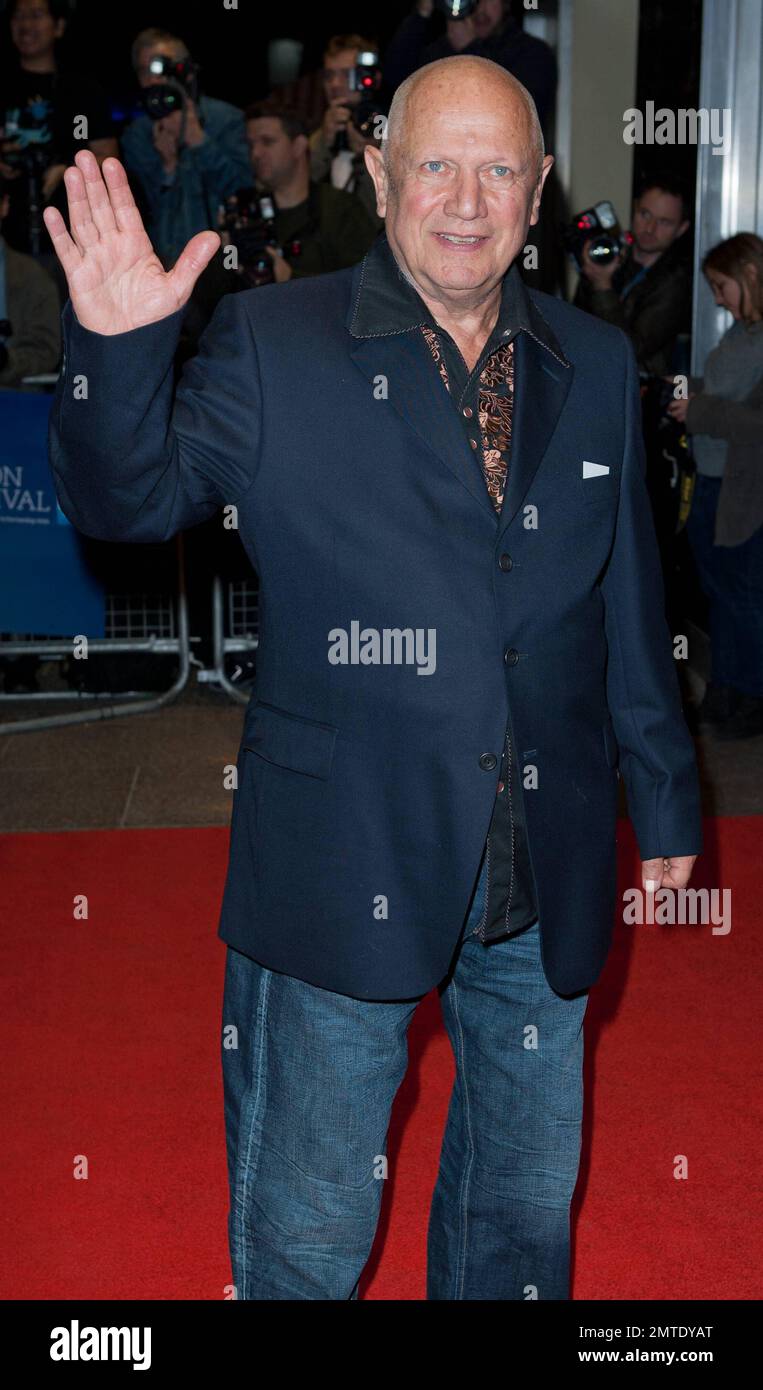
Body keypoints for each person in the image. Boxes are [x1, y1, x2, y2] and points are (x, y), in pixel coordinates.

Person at [44, 55, 701, 1301]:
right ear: (381, 172)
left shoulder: (596, 359)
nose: (466, 198)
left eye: (498, 167)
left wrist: (662, 789)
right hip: (343, 859)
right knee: (310, 1228)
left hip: (541, 848)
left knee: (517, 1214)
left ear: (540, 186)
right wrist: (117, 350)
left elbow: (623, 593)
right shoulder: (272, 341)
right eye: (436, 163)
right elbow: (123, 501)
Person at [667, 233, 763, 741]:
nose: (718, 298)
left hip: (744, 494)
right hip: (713, 483)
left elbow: (755, 423)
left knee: (744, 597)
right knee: (722, 595)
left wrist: (699, 409)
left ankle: (750, 695)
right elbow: (726, 396)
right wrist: (688, 392)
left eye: (722, 286)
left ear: (749, 277)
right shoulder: (740, 335)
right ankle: (727, 688)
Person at [120, 27, 251, 271]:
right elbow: (137, 212)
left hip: (225, 265)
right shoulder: (137, 135)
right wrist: (167, 169)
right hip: (163, 265)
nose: (153, 79)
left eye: (161, 67)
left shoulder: (227, 120)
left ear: (187, 71)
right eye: (143, 71)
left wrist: (200, 141)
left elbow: (244, 189)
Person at [0, 0, 117, 265]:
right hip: (7, 244)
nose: (26, 24)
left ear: (59, 27)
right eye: (18, 16)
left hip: (72, 241)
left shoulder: (83, 90)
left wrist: (68, 171)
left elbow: (109, 159)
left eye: (37, 15)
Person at [573, 173, 692, 377]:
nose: (650, 228)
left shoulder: (677, 281)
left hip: (636, 389)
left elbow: (630, 349)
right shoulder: (615, 253)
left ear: (681, 229)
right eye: (645, 214)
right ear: (635, 208)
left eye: (664, 222)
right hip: (589, 372)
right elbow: (575, 322)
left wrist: (602, 286)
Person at [243, 104, 378, 282]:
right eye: (251, 144)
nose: (256, 153)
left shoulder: (340, 210)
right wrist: (227, 254)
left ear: (299, 145)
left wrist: (289, 278)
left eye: (267, 142)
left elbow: (364, 286)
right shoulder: (246, 212)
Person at [384, 0, 557, 134]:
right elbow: (394, 81)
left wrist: (469, 49)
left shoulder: (532, 52)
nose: (480, 9)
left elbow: (520, 119)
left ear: (506, 4)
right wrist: (422, 13)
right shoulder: (436, 51)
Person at [309, 33, 384, 229]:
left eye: (346, 74)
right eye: (329, 76)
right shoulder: (317, 135)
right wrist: (323, 143)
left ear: (371, 78)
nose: (334, 84)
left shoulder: (392, 130)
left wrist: (368, 158)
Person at [0, 173, 61, 388]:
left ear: (4, 205)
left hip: (14, 404)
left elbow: (47, 351)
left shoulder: (32, 277)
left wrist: (6, 361)